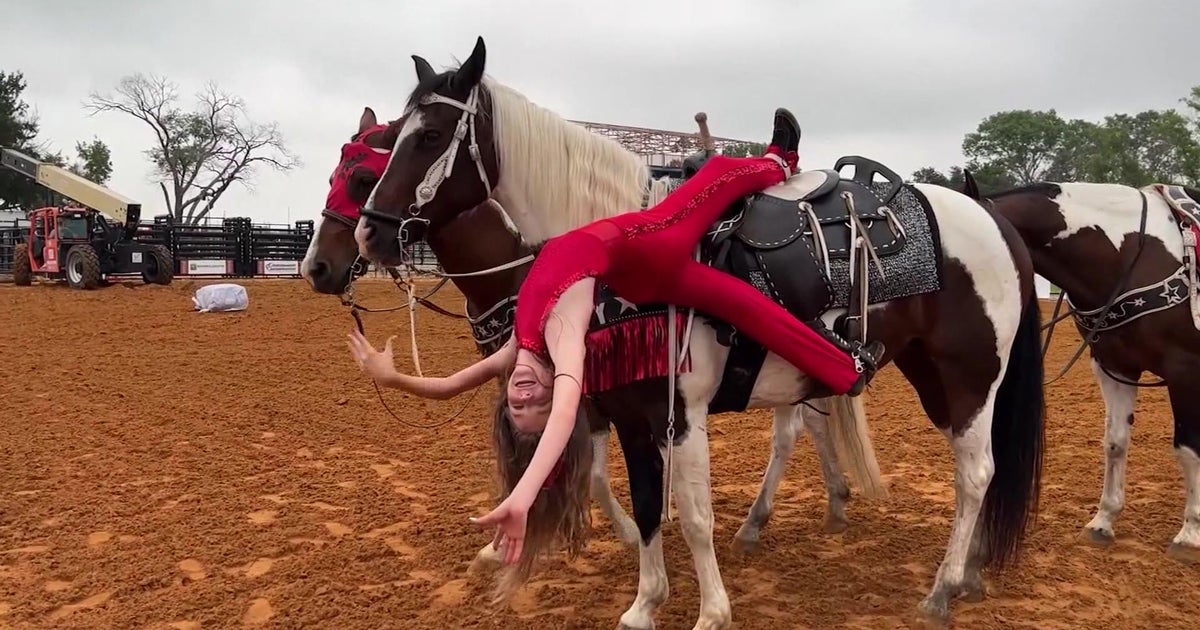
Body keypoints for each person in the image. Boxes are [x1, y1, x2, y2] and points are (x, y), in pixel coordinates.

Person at [346, 108, 883, 567]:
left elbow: (453, 384)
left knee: (747, 301)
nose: (523, 395)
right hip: (651, 247)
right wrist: (524, 495)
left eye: (515, 403)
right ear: (553, 391)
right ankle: (780, 164)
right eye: (534, 403)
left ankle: (840, 364)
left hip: (643, 272)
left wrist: (391, 377)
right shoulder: (563, 341)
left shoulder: (519, 348)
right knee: (721, 183)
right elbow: (562, 419)